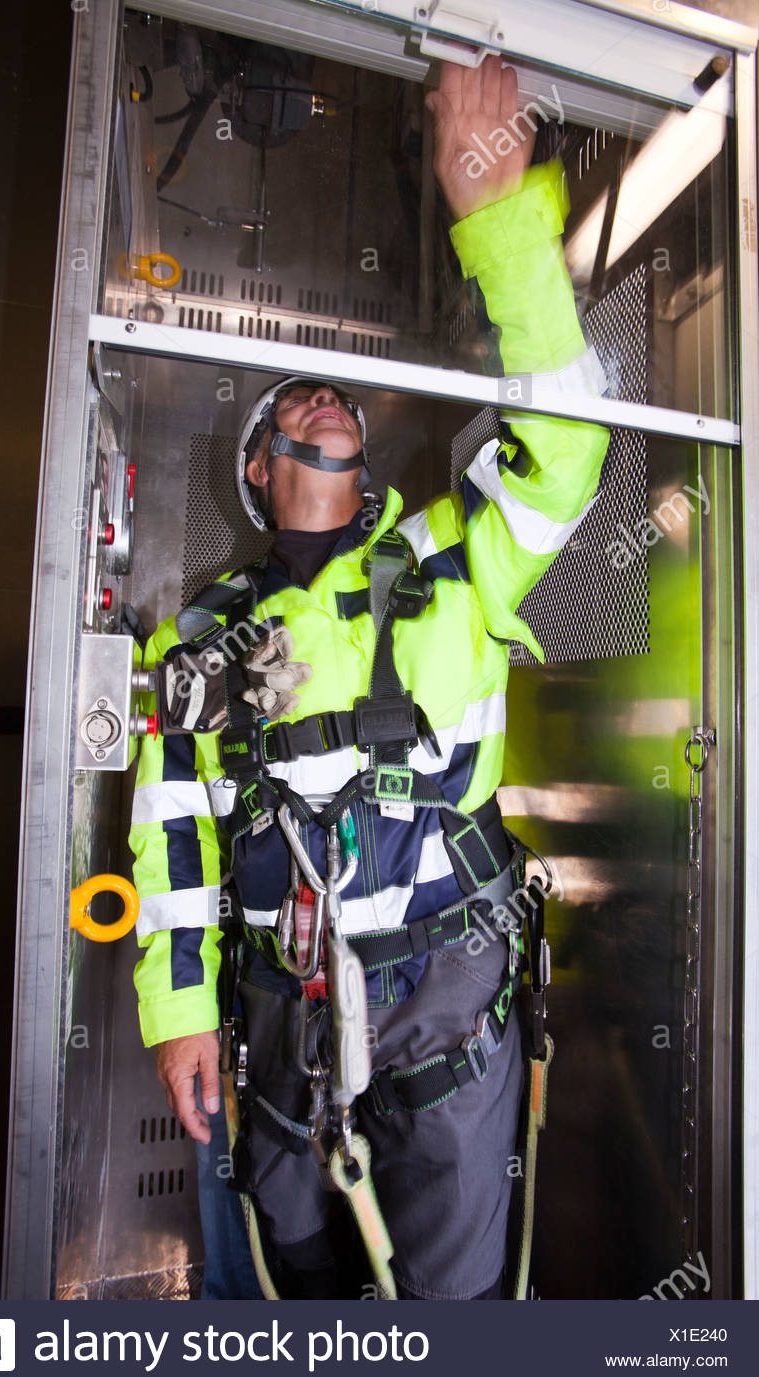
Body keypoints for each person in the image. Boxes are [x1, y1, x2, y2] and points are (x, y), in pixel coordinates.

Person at [129, 56, 610, 1300]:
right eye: (293, 400)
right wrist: (177, 1012)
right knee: (300, 1280)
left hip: (447, 1000)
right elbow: (171, 838)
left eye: (334, 393)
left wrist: (496, 221)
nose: (323, 399)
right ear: (258, 469)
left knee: (450, 1305)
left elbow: (566, 451)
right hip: (279, 1012)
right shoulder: (203, 640)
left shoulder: (456, 554)